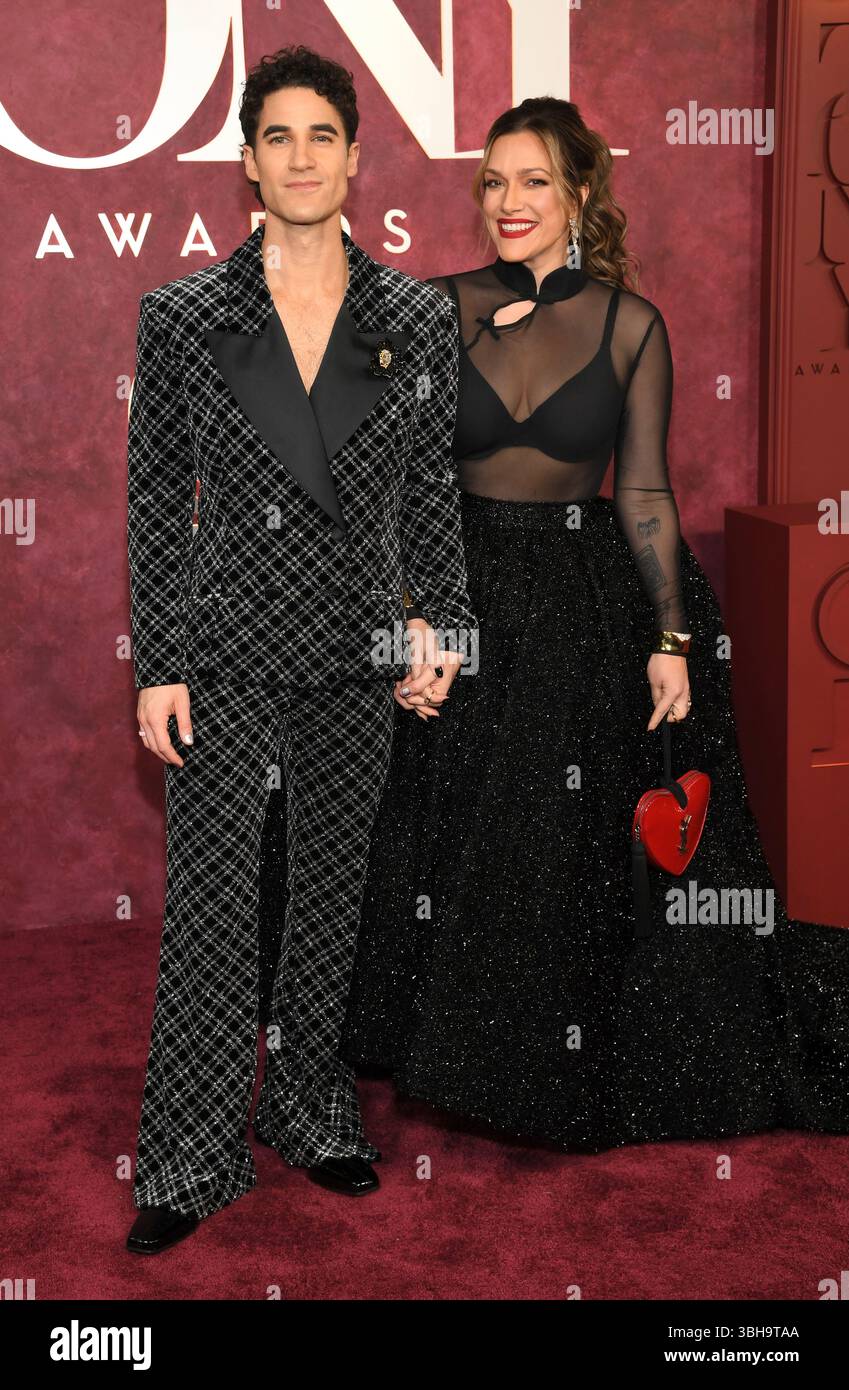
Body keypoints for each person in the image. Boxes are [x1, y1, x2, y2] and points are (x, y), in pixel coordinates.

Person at [321, 97, 849, 1152]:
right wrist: (412, 615)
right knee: (445, 809)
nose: (509, 203)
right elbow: (375, 471)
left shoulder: (630, 323)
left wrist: (670, 637)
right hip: (455, 580)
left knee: (553, 809)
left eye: (534, 182)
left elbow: (644, 494)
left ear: (578, 194)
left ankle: (538, 1047)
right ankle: (430, 1028)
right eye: (493, 182)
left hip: (578, 590)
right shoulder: (433, 307)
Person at [125, 45, 476, 1255]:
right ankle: (187, 1149)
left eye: (322, 135)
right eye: (277, 137)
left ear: (356, 154)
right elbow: (158, 494)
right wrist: (158, 661)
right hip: (224, 645)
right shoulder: (182, 318)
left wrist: (444, 622)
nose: (301, 158)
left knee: (330, 898)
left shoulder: (416, 315)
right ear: (248, 163)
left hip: (356, 644)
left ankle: (317, 1114)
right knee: (214, 912)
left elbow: (431, 486)